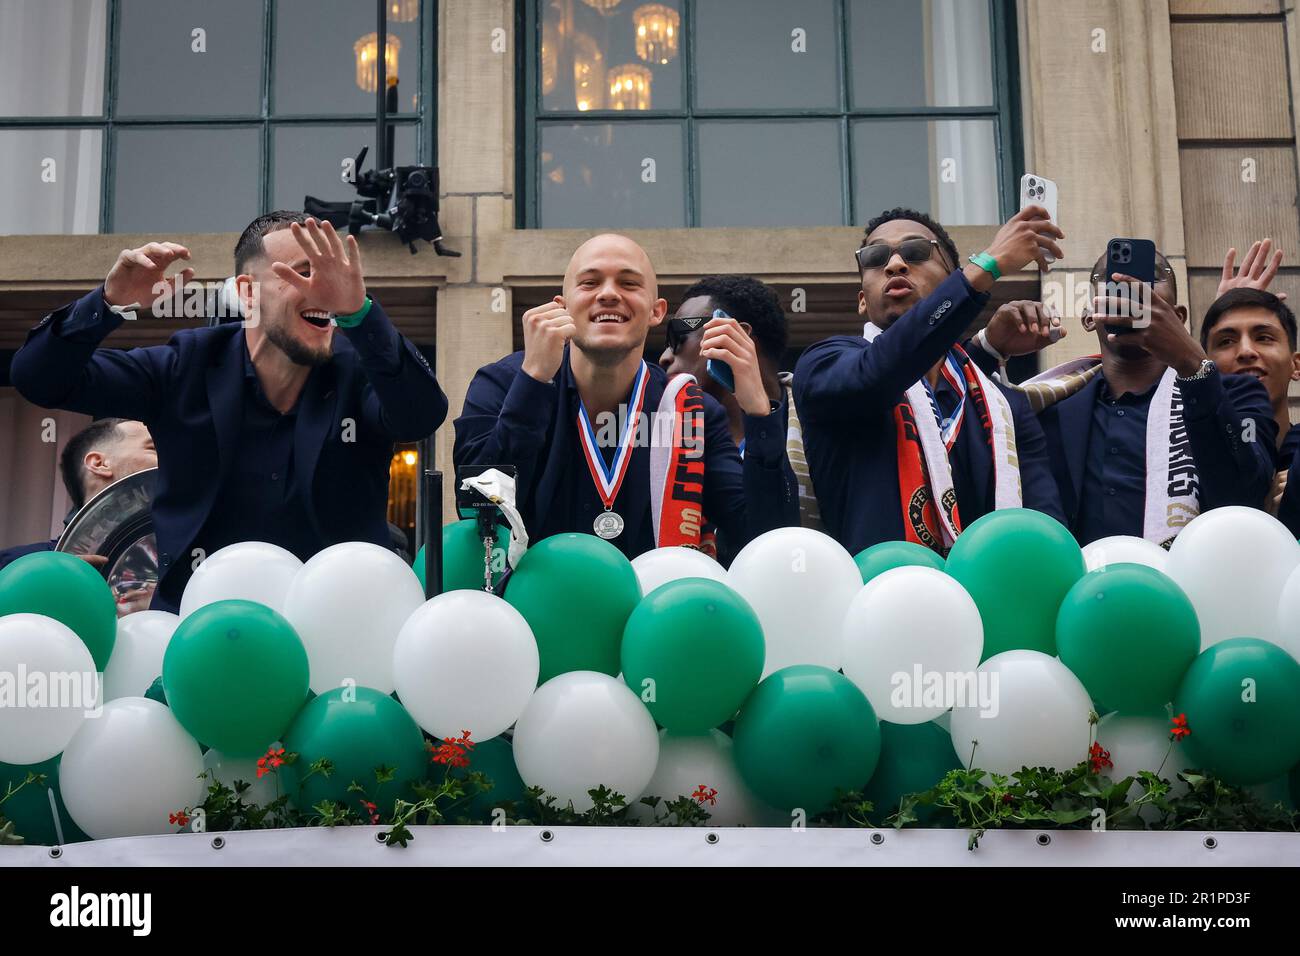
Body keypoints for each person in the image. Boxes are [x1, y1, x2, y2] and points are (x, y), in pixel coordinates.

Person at [11, 212, 447, 611]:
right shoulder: (184, 366)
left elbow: (421, 415)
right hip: (197, 636)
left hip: (340, 630)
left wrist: (360, 314)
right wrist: (108, 303)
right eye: (304, 273)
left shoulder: (359, 367)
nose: (326, 290)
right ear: (247, 292)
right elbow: (39, 378)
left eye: (336, 277)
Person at [454, 233, 797, 562]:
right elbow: (478, 508)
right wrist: (533, 383)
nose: (608, 294)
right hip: (532, 611)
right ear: (563, 306)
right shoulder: (504, 383)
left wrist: (759, 413)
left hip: (650, 616)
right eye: (589, 283)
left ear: (657, 311)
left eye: (629, 283)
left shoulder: (691, 411)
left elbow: (762, 537)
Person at [793, 205, 1066, 556]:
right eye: (875, 258)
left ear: (949, 279)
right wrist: (985, 267)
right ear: (862, 301)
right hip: (878, 600)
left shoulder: (1004, 404)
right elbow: (877, 373)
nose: (894, 265)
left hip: (990, 603)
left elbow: (1045, 530)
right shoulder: (824, 363)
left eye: (916, 252)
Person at [1026, 247, 1275, 547]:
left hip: (1189, 587)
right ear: (1090, 317)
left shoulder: (1234, 393)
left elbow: (1248, 493)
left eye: (1150, 276)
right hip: (1079, 589)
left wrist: (1194, 367)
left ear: (1177, 315)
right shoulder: (1046, 408)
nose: (1132, 285)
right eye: (1111, 277)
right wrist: (989, 349)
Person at [658, 275, 809, 531]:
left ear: (735, 335)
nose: (664, 357)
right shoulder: (655, 430)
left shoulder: (819, 418)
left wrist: (762, 418)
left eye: (679, 336)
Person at [0, 418, 156, 580]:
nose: (173, 460)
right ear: (99, 463)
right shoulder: (13, 567)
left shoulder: (180, 559)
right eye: (154, 448)